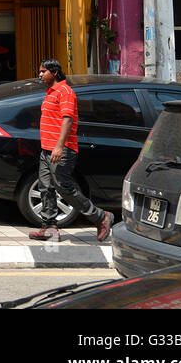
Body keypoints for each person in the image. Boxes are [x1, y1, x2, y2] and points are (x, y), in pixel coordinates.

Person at [29, 58, 113, 243]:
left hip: (61, 150)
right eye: (40, 71)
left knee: (64, 188)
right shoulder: (50, 92)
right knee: (45, 187)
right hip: (47, 150)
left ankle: (100, 217)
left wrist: (59, 146)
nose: (40, 74)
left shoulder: (65, 92)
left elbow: (67, 120)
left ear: (55, 72)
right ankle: (49, 227)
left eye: (44, 71)